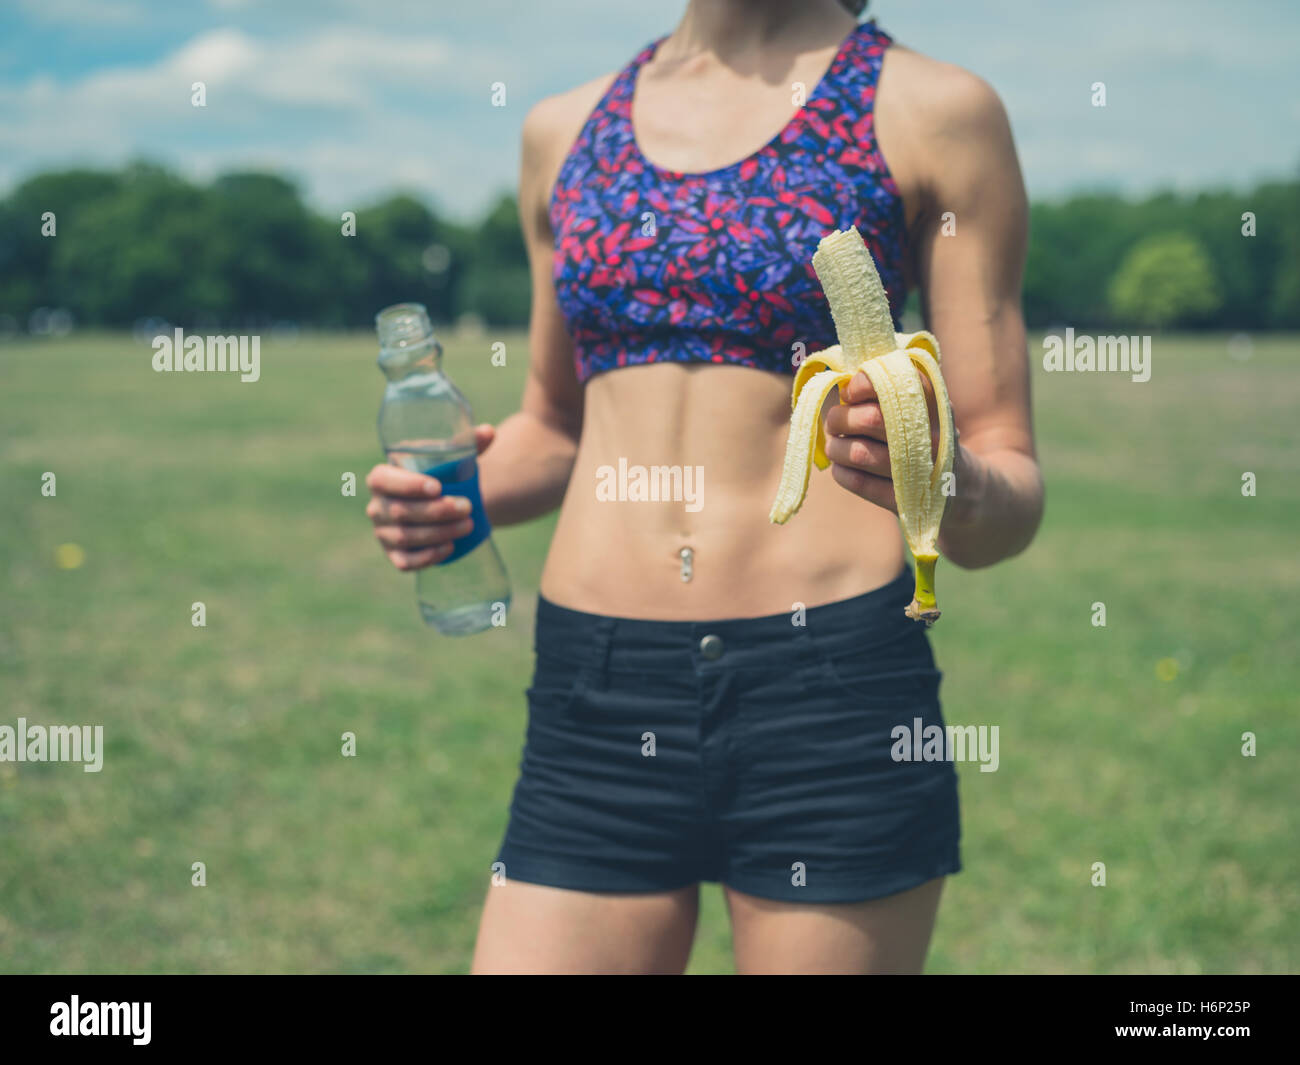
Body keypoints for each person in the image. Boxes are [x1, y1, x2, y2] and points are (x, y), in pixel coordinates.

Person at [366, 0, 1043, 974]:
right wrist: (455, 494)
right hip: (594, 692)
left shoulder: (935, 109)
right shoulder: (563, 129)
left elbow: (1005, 480)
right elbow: (556, 426)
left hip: (830, 690)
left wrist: (951, 482)